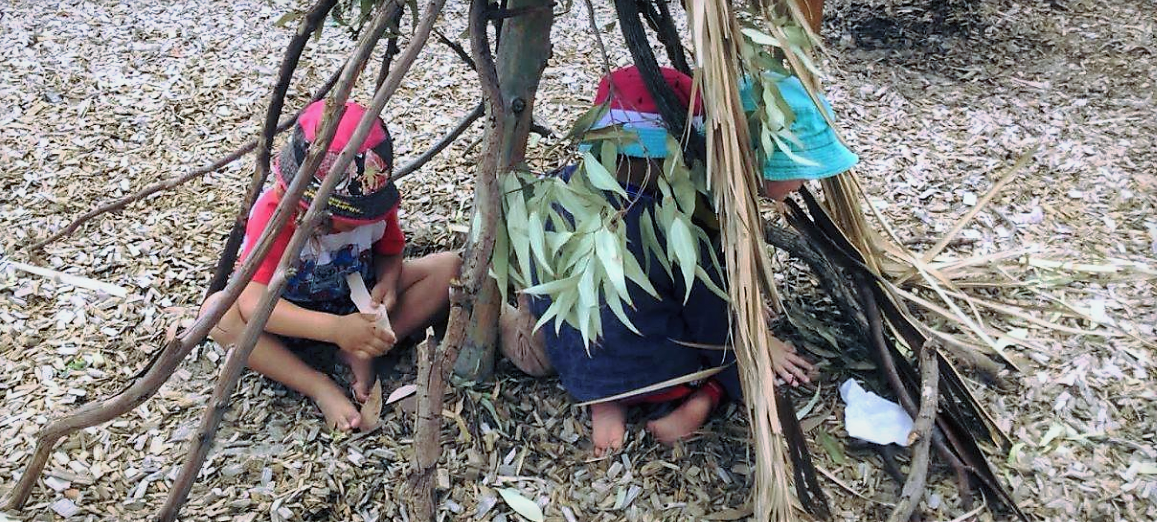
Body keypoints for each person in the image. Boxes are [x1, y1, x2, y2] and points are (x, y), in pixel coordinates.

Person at [521, 66, 858, 456]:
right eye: (800, 174)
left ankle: (604, 403)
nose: (804, 184)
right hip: (654, 371)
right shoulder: (680, 222)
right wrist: (751, 344)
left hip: (578, 361)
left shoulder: (559, 192)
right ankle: (701, 400)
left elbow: (539, 278)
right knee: (701, 355)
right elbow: (712, 324)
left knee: (600, 327)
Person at [201, 101, 460, 431]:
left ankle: (363, 351)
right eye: (342, 221)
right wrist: (335, 330)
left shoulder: (376, 208)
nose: (356, 225)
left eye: (362, 217)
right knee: (218, 315)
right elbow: (253, 303)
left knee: (450, 267)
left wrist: (388, 284)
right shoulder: (275, 215)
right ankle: (316, 384)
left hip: (356, 304)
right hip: (289, 319)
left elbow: (390, 252)